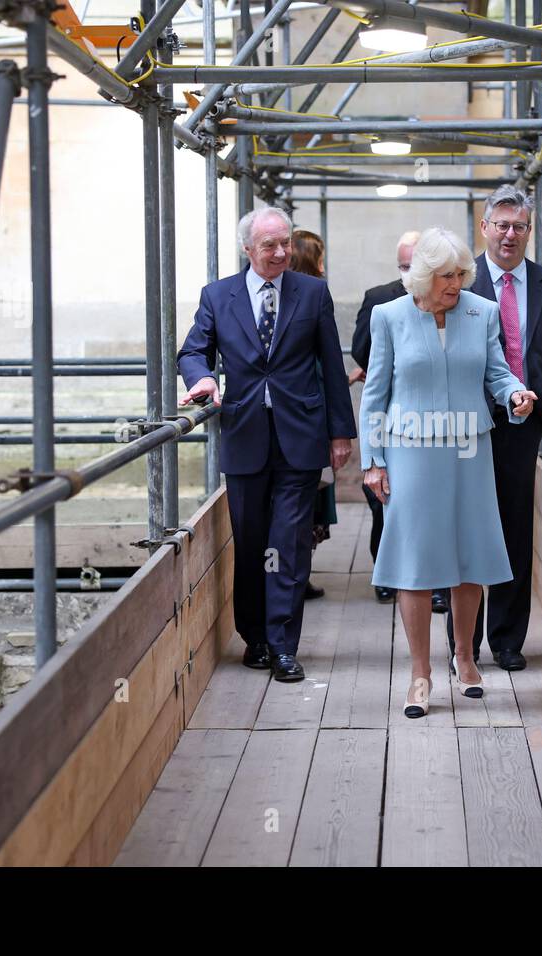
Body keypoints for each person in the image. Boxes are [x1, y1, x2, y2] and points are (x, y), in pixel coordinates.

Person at [360, 227, 537, 718]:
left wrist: (515, 396)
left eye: (461, 274)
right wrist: (371, 460)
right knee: (414, 562)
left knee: (468, 555)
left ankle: (464, 657)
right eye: (446, 276)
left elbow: (497, 373)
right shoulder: (388, 316)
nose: (456, 284)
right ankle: (420, 674)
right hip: (409, 450)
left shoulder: (481, 313)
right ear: (422, 276)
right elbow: (374, 393)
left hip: (469, 447)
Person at [177, 206, 356, 683]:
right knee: (253, 540)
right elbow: (194, 350)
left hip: (300, 438)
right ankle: (254, 635)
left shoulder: (313, 293)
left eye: (285, 243)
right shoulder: (218, 297)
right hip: (245, 436)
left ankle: (282, 645)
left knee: (290, 543)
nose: (281, 253)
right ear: (247, 250)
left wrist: (341, 433)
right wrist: (202, 381)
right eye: (269, 246)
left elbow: (331, 366)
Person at [446, 185, 542, 672]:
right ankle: (463, 642)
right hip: (470, 427)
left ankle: (507, 639)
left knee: (514, 530)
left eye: (519, 226)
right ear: (484, 228)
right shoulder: (459, 283)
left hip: (522, 426)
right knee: (467, 530)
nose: (510, 235)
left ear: (529, 230)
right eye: (501, 225)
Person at [351, 231, 449, 613]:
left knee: (434, 507)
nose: (410, 274)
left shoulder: (448, 300)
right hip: (395, 417)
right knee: (386, 504)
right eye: (404, 266)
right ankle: (388, 574)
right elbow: (363, 348)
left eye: (416, 265)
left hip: (440, 424)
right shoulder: (380, 299)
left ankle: (436, 582)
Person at [290, 227, 336, 601]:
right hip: (310, 420)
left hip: (309, 418)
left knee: (303, 502)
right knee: (307, 501)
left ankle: (295, 576)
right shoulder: (313, 297)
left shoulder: (308, 296)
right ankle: (296, 575)